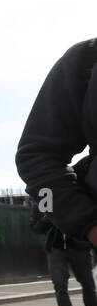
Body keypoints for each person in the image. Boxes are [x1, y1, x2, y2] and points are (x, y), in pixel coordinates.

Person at [16, 39, 97, 249]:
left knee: (84, 281)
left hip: (78, 250)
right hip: (60, 248)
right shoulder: (86, 59)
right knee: (61, 283)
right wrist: (84, 224)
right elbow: (34, 159)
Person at [30, 200, 97, 306]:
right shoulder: (41, 201)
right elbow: (35, 227)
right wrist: (45, 220)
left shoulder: (74, 195)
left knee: (88, 284)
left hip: (80, 247)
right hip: (56, 248)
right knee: (60, 284)